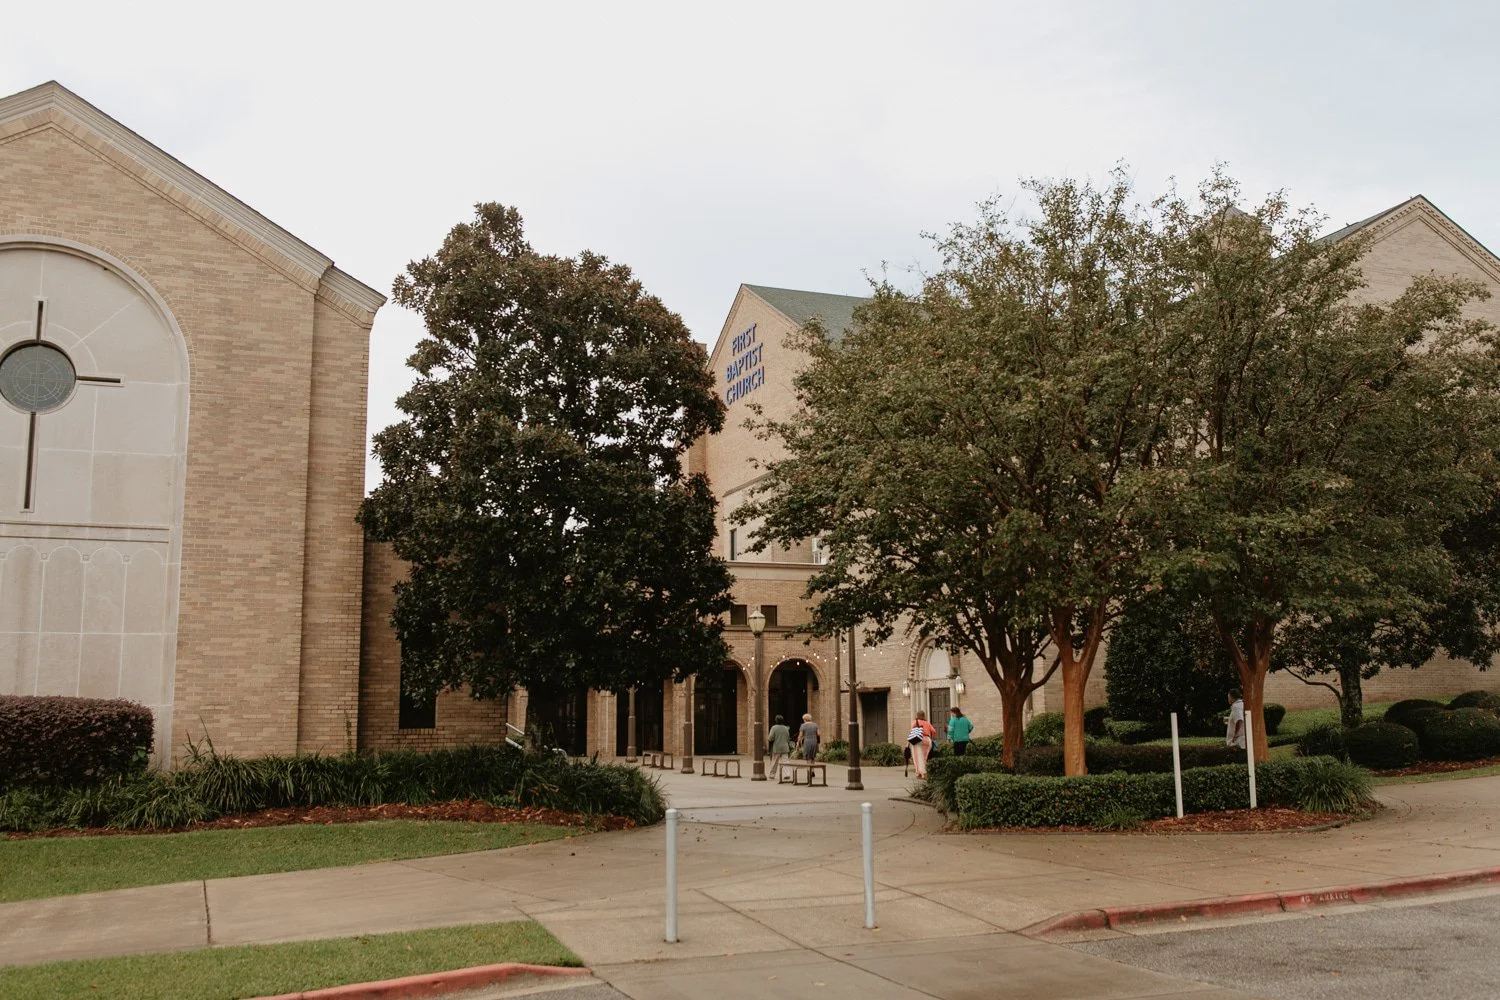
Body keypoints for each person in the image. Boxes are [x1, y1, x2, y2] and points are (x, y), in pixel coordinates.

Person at [908, 710, 937, 779]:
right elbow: (934, 731)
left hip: (918, 740)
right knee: (924, 758)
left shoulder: (915, 722)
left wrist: (908, 743)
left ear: (917, 716)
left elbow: (911, 732)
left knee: (917, 758)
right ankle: (923, 773)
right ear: (924, 716)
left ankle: (920, 774)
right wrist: (931, 739)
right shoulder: (927, 723)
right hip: (927, 740)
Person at [768, 714, 791, 780]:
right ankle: (786, 774)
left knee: (774, 762)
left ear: (776, 720)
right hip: (785, 747)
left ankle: (772, 775)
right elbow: (788, 738)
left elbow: (770, 738)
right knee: (785, 761)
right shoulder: (786, 728)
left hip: (776, 747)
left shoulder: (774, 728)